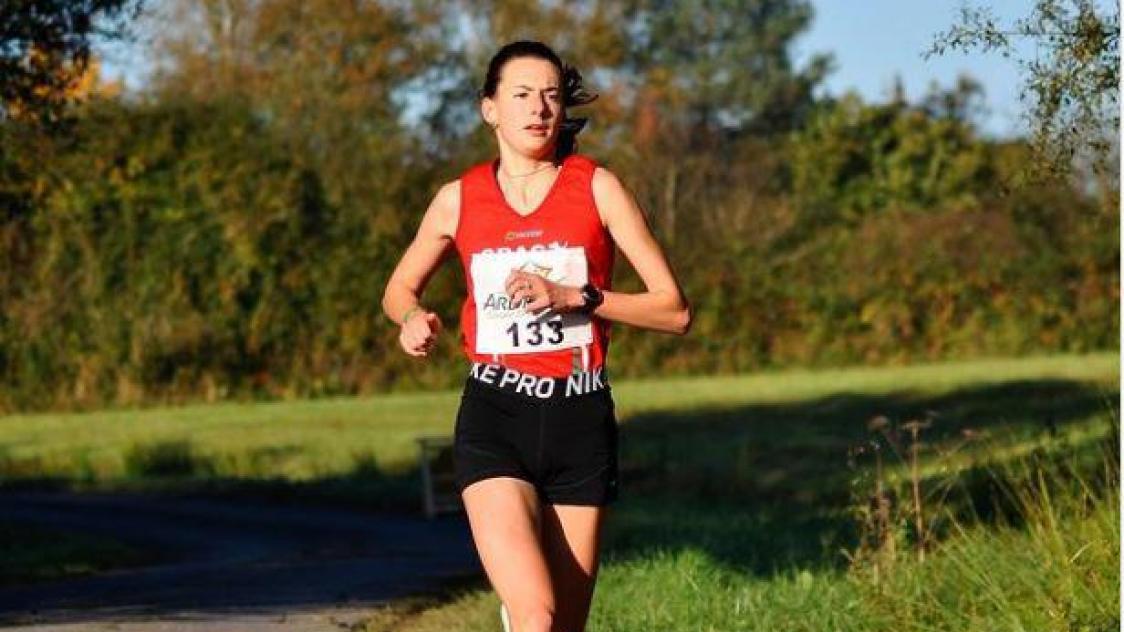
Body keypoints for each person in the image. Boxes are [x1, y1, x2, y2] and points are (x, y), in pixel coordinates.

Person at [382, 40, 691, 632]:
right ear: (489, 109)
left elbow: (674, 311)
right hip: (495, 414)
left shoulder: (597, 187)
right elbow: (398, 289)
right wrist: (410, 319)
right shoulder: (457, 198)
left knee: (564, 626)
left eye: (551, 94)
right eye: (522, 94)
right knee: (537, 616)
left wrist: (581, 298)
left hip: (581, 418)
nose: (539, 108)